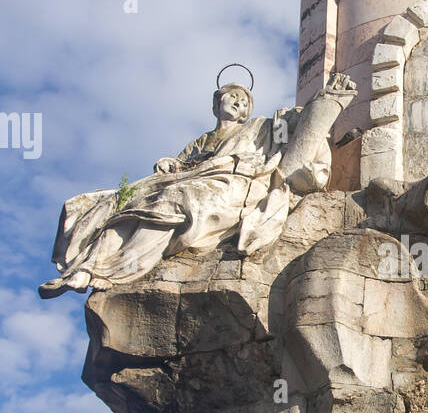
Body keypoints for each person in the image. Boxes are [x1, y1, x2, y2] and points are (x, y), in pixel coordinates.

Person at [39, 71, 356, 298]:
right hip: (193, 181)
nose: (237, 101)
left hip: (236, 183)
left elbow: (296, 132)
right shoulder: (200, 142)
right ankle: (86, 270)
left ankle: (112, 270)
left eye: (243, 99)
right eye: (231, 96)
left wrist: (323, 104)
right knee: (125, 204)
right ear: (217, 102)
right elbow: (179, 165)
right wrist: (169, 163)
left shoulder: (261, 127)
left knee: (179, 198)